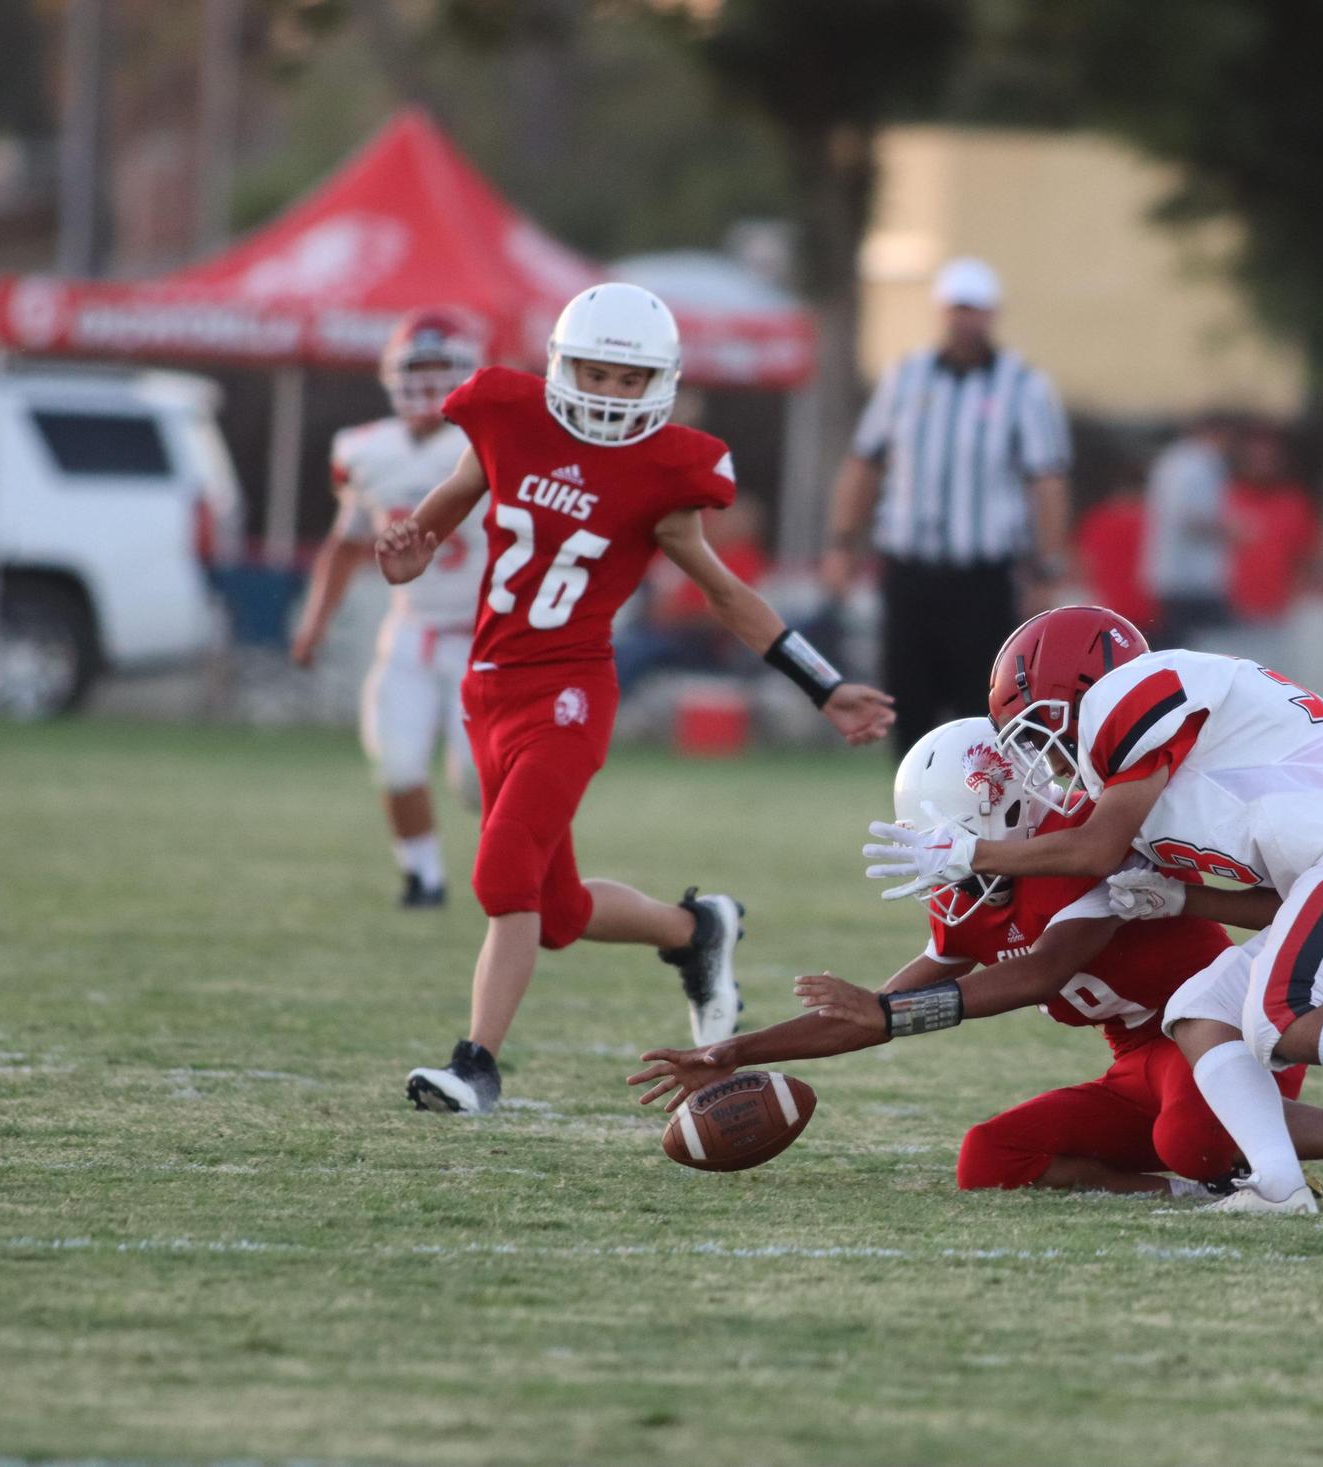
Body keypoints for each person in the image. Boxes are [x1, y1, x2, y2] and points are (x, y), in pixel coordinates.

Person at [862, 607, 1323, 1216]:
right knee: (1203, 1012)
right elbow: (1275, 902)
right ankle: (1278, 1184)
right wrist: (1180, 897)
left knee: (1283, 1013)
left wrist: (973, 852)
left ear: (1070, 691)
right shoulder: (1166, 774)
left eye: (1033, 730)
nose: (1043, 765)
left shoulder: (1131, 694)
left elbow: (1093, 848)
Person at [375, 282, 895, 1113]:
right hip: (487, 689)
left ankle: (475, 1066)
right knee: (553, 910)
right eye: (596, 372)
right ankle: (699, 932)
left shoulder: (664, 473)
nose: (613, 393)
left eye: (630, 378)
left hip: (570, 693)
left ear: (662, 382)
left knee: (503, 873)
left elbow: (729, 597)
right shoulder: (507, 416)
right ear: (559, 365)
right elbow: (452, 501)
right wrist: (413, 547)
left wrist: (822, 684)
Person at [632, 718, 1323, 1202]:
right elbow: (868, 1014)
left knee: (1189, 1133)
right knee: (989, 1160)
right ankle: (1195, 1194)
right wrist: (737, 1051)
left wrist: (891, 1012)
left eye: (953, 837)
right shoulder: (966, 891)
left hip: (1220, 1043)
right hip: (1137, 1070)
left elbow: (1041, 972)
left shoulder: (1084, 851)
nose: (943, 855)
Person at [820, 257, 1072, 754]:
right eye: (957, 309)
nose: (965, 320)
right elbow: (864, 464)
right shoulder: (907, 378)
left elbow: (1046, 482)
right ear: (942, 312)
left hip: (982, 575)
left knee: (983, 707)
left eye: (974, 310)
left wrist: (1047, 567)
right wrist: (843, 544)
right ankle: (915, 809)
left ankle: (980, 815)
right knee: (906, 700)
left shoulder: (1022, 386)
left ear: (991, 314)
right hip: (910, 569)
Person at [290, 310, 486, 909]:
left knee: (478, 785)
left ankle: (510, 872)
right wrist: (315, 623)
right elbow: (346, 543)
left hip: (481, 639)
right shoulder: (365, 450)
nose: (427, 384)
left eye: (439, 369)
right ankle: (422, 878)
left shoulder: (488, 444)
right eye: (415, 369)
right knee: (396, 762)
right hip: (410, 629)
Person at [612, 500, 771, 688]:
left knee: (631, 653)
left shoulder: (744, 561)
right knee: (613, 646)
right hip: (655, 629)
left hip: (697, 643)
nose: (716, 525)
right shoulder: (697, 554)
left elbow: (727, 616)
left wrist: (674, 619)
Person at [1141, 415, 1235, 647]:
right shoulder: (1200, 465)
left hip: (1169, 572)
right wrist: (1232, 530)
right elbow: (1189, 516)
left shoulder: (1171, 461)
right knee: (1196, 648)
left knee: (1172, 643)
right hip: (1192, 576)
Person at [1224, 425, 1322, 625]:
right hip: (1226, 607)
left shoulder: (1295, 502)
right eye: (1256, 458)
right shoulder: (1226, 496)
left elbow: (1308, 556)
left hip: (1280, 612)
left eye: (1269, 459)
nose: (1262, 465)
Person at [1073, 467, 1155, 632]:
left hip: (1108, 611)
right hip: (1150, 610)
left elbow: (1082, 565)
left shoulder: (1097, 519)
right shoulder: (1150, 520)